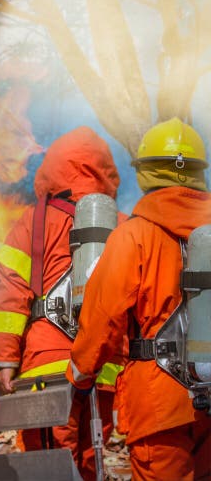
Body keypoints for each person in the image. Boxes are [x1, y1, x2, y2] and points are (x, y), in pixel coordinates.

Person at [67, 118, 211, 481]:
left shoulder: (132, 236)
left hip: (159, 404)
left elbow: (103, 316)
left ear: (145, 173)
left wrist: (81, 375)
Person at [0, 126, 125, 479]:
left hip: (47, 368)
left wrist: (4, 359)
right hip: (103, 366)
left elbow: (11, 295)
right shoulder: (124, 227)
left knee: (48, 462)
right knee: (90, 457)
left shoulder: (33, 221)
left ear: (52, 168)